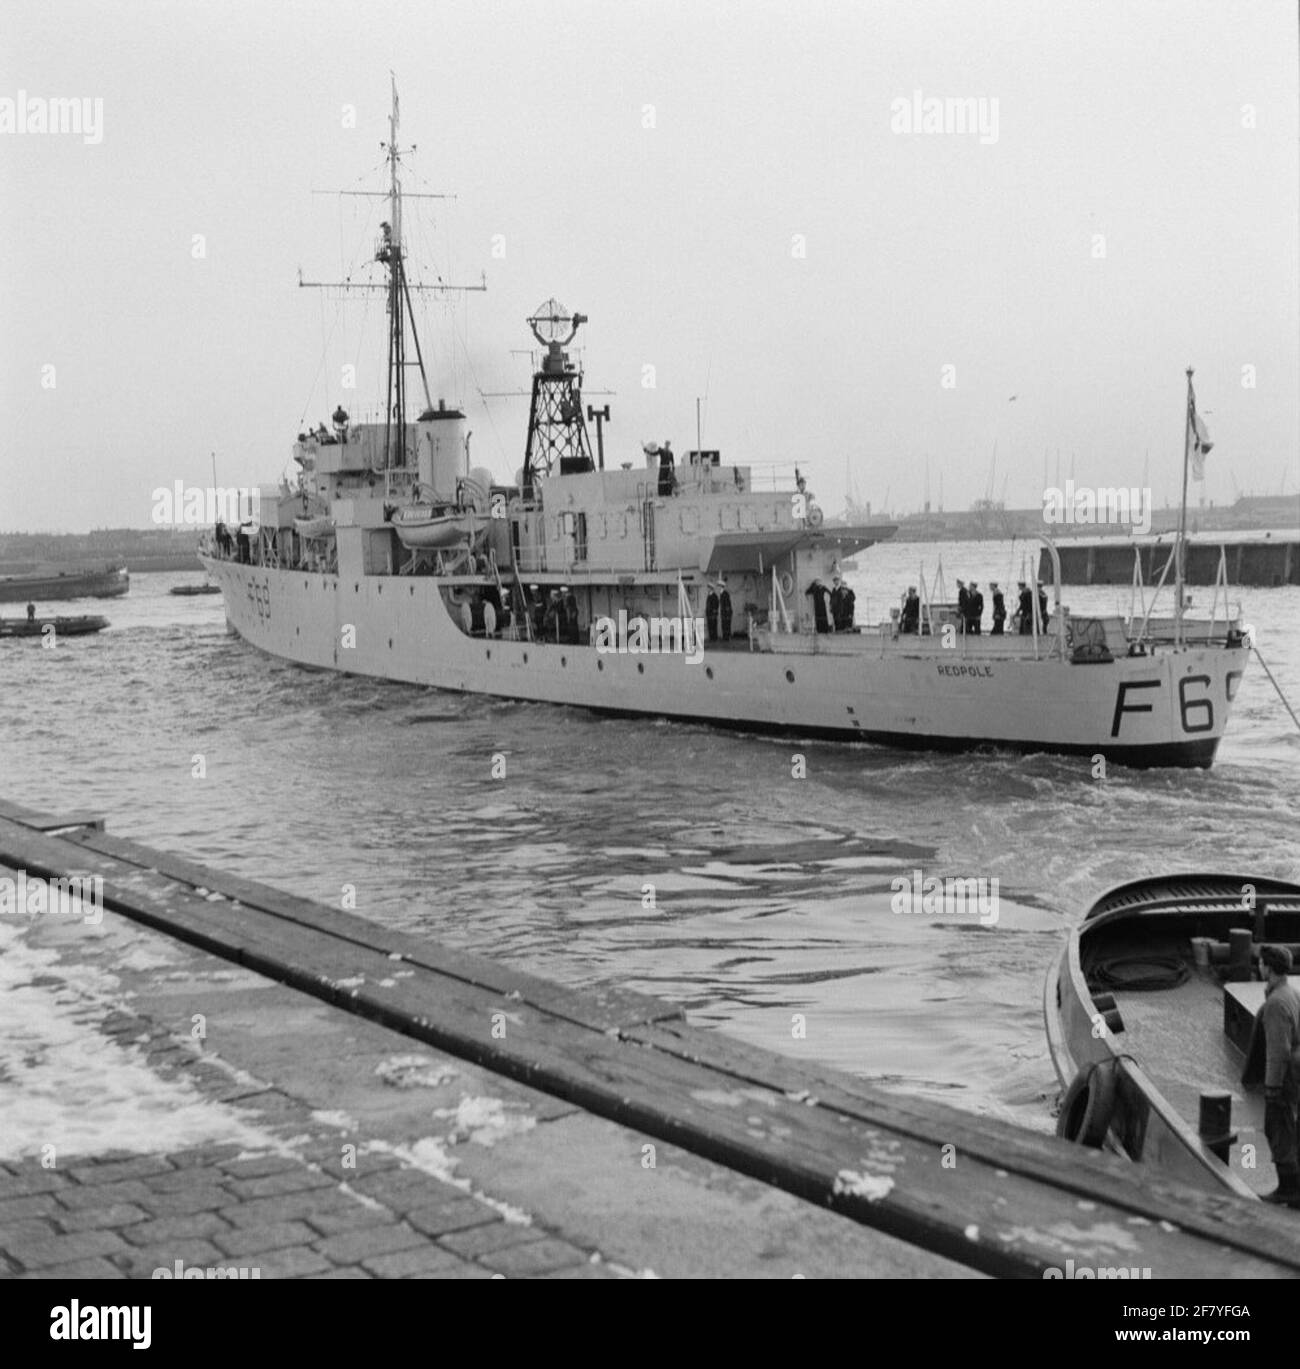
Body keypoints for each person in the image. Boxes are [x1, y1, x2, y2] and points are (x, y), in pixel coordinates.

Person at [1244, 946, 1300, 1206]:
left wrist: (1272, 1087)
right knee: (1290, 1128)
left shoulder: (1276, 1003)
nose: (1259, 967)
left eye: (1261, 963)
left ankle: (1288, 1189)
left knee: (1277, 1128)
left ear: (1267, 966)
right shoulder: (1291, 992)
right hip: (1295, 1073)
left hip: (1286, 1077)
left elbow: (1278, 1050)